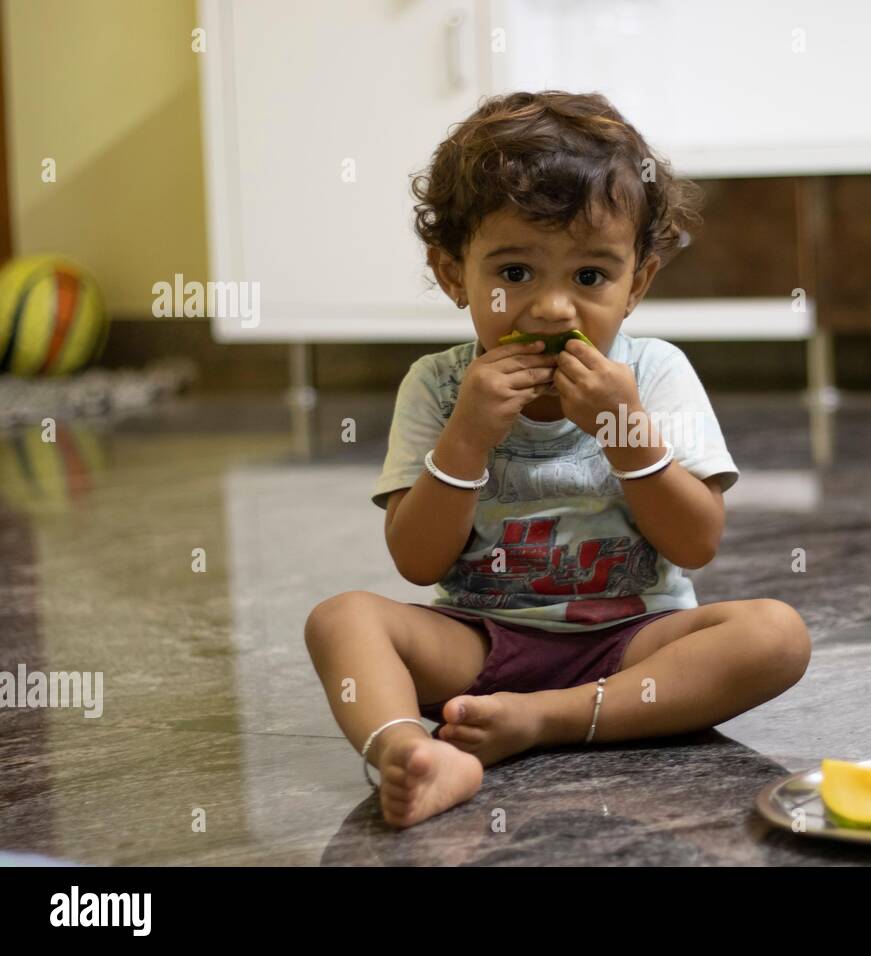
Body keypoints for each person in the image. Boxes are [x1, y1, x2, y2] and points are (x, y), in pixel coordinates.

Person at [305, 90, 811, 828]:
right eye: (514, 273)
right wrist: (467, 435)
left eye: (589, 277)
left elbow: (696, 542)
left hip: (637, 644)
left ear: (636, 283)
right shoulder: (438, 386)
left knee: (776, 635)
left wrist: (624, 431)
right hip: (482, 643)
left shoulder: (658, 374)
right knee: (342, 619)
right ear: (453, 274)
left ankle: (550, 718)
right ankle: (410, 752)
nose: (551, 310)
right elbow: (417, 561)